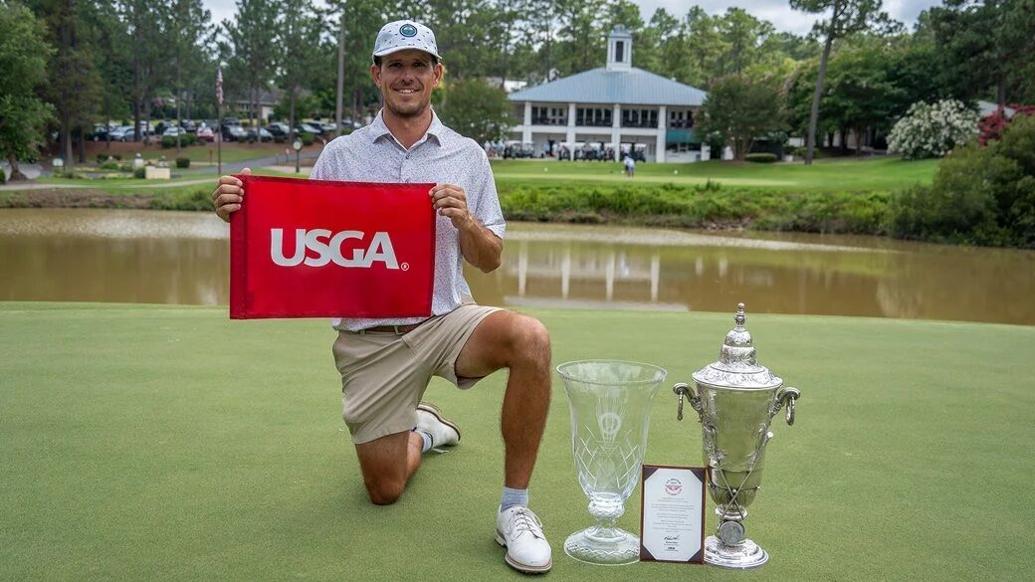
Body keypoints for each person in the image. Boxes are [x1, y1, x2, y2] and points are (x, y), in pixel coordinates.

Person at [210, 20, 553, 575]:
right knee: (385, 489)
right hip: (370, 337)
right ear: (377, 75)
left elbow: (490, 258)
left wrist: (465, 221)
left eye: (419, 65)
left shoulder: (468, 156)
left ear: (437, 76)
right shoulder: (340, 156)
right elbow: (301, 238)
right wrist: (241, 210)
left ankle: (514, 510)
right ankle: (422, 427)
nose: (407, 76)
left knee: (531, 338)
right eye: (396, 65)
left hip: (446, 319)